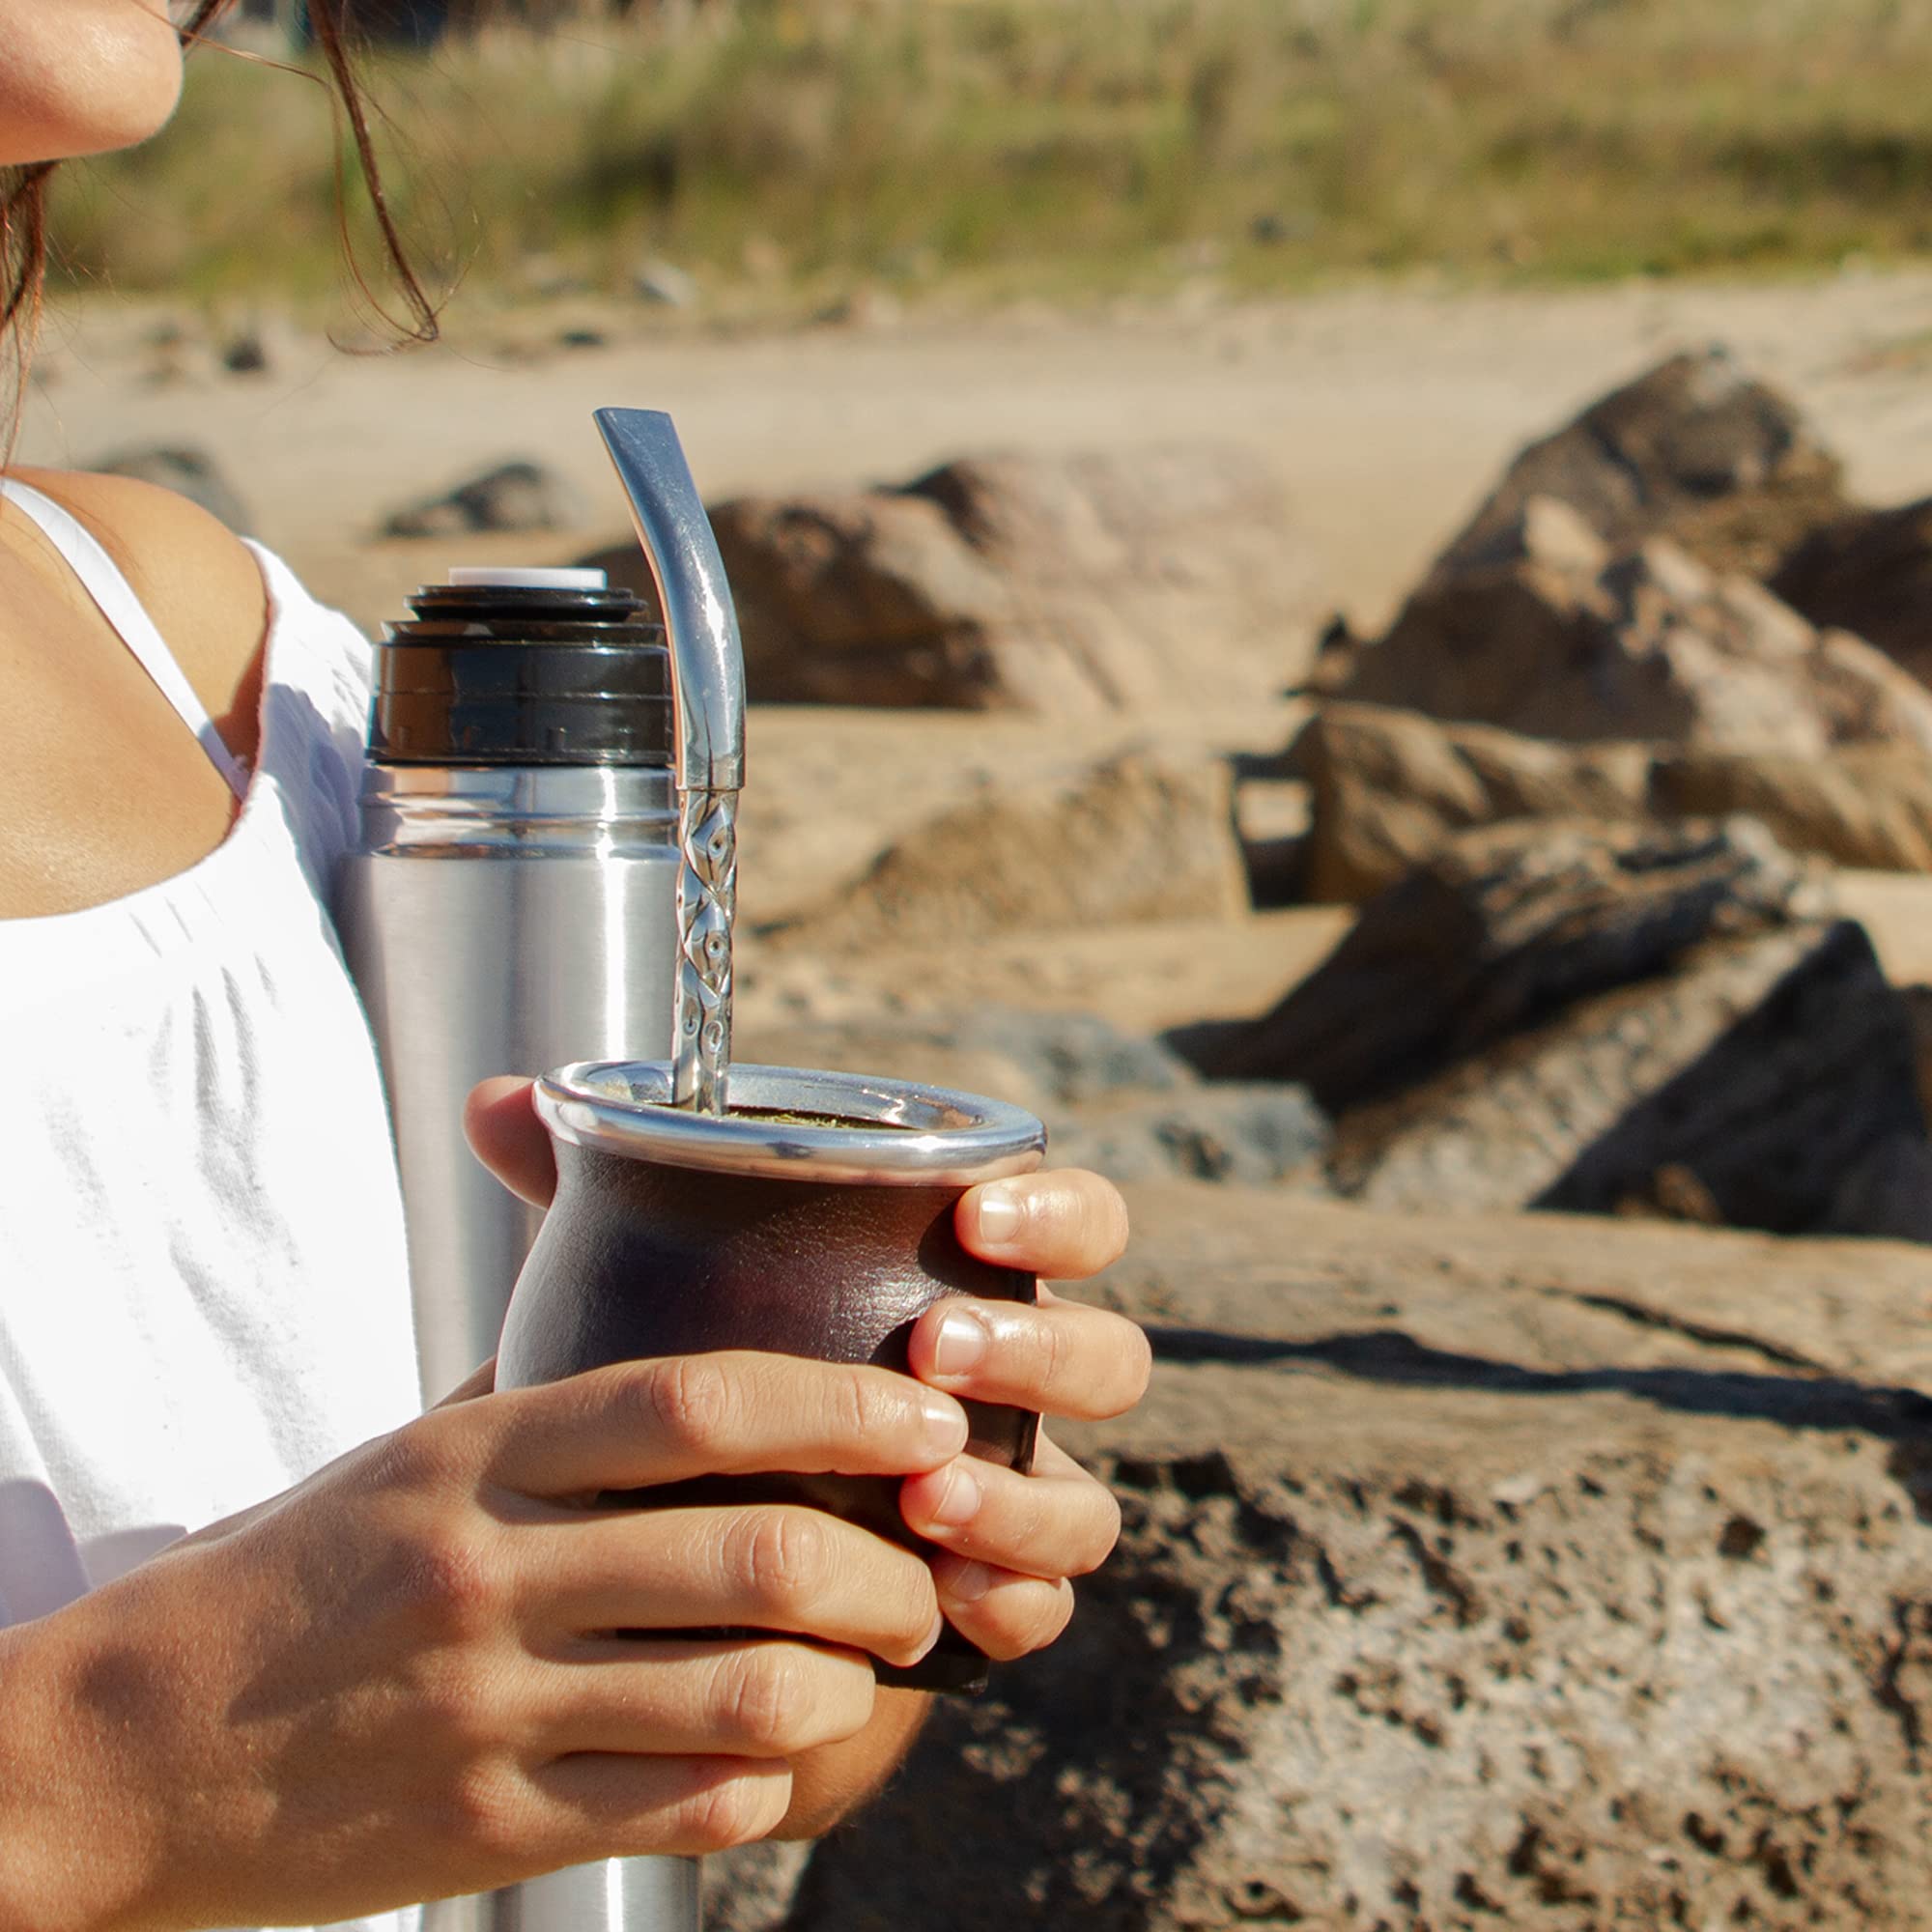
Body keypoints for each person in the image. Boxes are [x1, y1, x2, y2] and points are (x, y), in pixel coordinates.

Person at [0, 5, 1151, 1928]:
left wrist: (770, 1588)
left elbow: (626, 1775)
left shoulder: (221, 669)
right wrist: (87, 1773)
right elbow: (177, 1756)